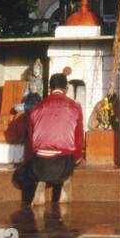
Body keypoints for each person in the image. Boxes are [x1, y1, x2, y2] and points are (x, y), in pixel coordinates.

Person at [23, 73, 84, 207]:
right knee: (69, 164)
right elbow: (79, 137)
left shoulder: (36, 108)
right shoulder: (75, 106)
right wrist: (78, 158)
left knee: (42, 162)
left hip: (39, 164)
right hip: (63, 164)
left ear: (50, 89)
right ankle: (65, 184)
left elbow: (30, 138)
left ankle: (41, 183)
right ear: (66, 89)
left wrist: (31, 158)